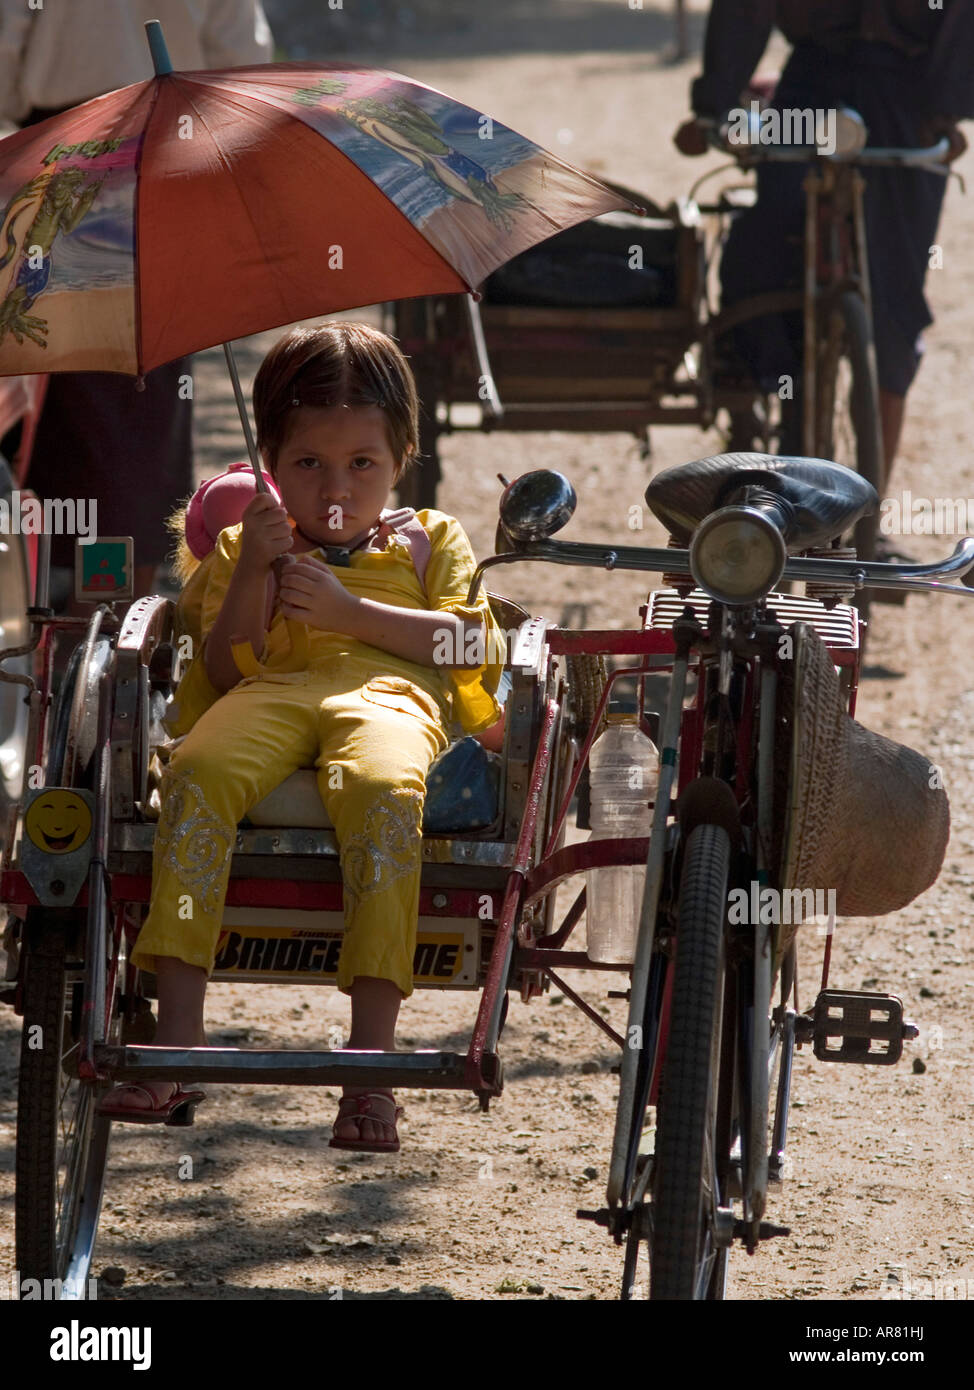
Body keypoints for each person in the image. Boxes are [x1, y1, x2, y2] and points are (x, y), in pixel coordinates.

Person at [97, 322, 505, 1153]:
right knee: (199, 769)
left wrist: (354, 613)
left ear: (401, 462)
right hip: (273, 691)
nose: (336, 490)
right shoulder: (256, 541)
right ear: (271, 465)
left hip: (389, 696)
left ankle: (370, 1067)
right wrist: (252, 570)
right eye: (307, 465)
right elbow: (226, 665)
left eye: (364, 465)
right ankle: (177, 1039)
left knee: (386, 792)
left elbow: (472, 645)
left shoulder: (431, 537)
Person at [0, 0, 274, 602]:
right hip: (166, 148)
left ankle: (49, 596)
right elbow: (241, 60)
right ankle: (119, 595)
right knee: (140, 386)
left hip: (60, 154)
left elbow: (7, 50)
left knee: (60, 373)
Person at [674, 1, 972, 517]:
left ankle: (868, 517)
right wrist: (715, 107)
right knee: (765, 255)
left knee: (894, 299)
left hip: (909, 98)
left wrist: (946, 110)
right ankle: (758, 397)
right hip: (811, 89)